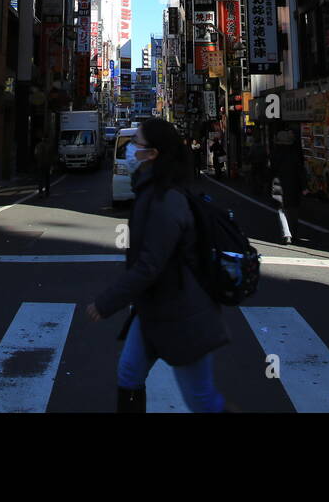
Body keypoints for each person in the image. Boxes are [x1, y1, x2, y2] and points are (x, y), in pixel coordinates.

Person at [87, 118, 230, 413]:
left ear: (152, 154)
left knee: (201, 399)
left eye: (135, 144)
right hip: (156, 308)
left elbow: (150, 264)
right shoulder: (152, 191)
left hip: (182, 313)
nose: (129, 150)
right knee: (129, 373)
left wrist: (107, 302)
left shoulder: (164, 199)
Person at [270, 126, 306, 244]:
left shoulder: (275, 154)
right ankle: (294, 234)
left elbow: (271, 170)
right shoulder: (295, 154)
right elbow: (300, 171)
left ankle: (287, 234)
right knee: (294, 211)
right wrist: (304, 186)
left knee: (282, 210)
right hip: (294, 184)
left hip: (278, 184)